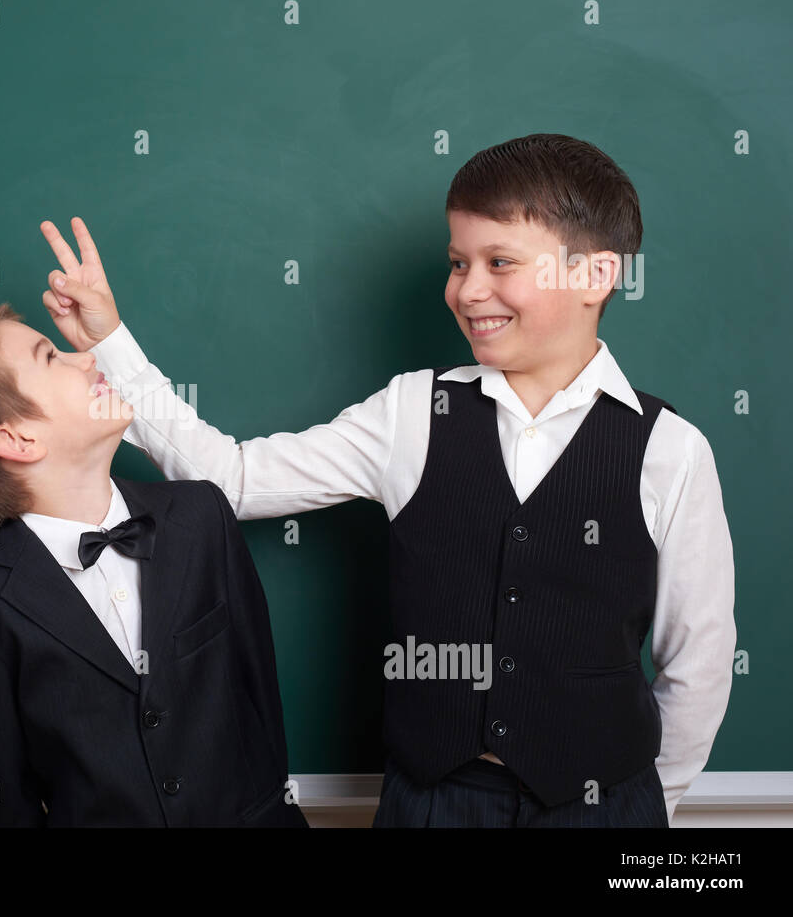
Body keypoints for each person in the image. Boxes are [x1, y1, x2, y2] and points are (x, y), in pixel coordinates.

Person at [37, 134, 736, 826]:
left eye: (500, 262)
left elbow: (698, 662)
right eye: (458, 262)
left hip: (606, 806)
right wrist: (108, 343)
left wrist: (646, 807)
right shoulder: (412, 413)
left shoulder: (668, 450)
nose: (467, 289)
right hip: (431, 803)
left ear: (594, 275)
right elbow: (233, 479)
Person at [0, 304, 306, 827]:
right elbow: (6, 800)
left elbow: (258, 691)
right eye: (50, 357)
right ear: (18, 438)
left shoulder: (200, 515)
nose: (84, 360)